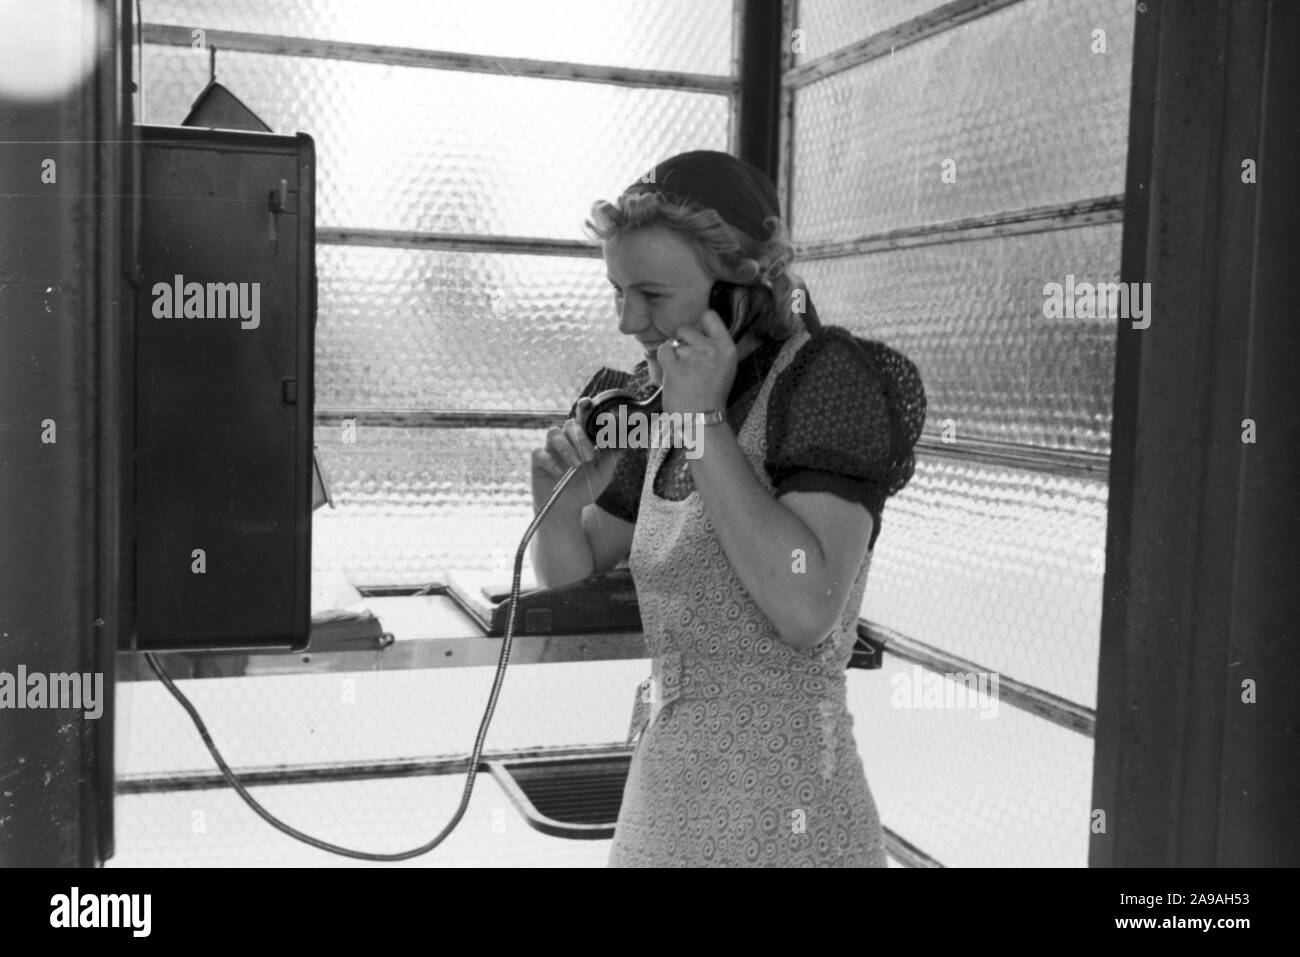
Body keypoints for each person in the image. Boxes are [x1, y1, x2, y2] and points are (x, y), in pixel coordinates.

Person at [529, 151, 925, 867]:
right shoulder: (660, 401)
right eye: (617, 291)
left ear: (739, 287)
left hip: (787, 812)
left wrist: (704, 422)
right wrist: (557, 501)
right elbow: (571, 570)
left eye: (652, 293)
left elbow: (807, 608)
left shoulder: (827, 382)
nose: (628, 320)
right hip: (664, 800)